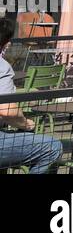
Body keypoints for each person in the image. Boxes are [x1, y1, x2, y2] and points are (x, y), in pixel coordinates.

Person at [0, 16, 63, 174]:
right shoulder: (2, 67)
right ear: (5, 42)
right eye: (8, 40)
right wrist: (27, 123)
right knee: (53, 147)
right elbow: (7, 110)